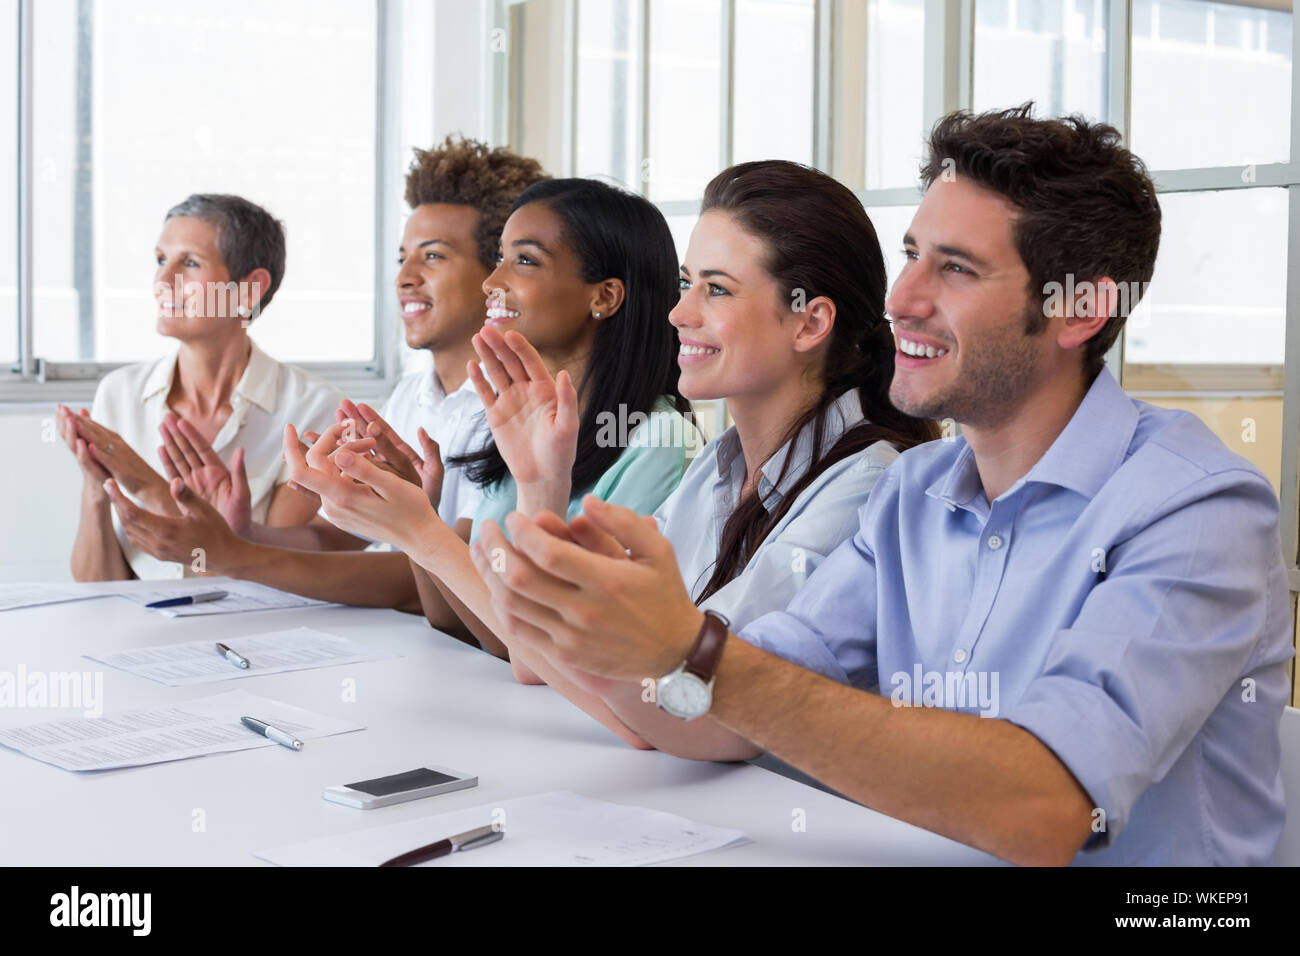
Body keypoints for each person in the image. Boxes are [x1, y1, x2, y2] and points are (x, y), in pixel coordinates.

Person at [469, 105, 1294, 866]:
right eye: (910, 256)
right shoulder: (918, 489)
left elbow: (1046, 808)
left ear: (1079, 311)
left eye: (958, 270)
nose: (902, 300)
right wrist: (606, 629)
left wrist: (692, 651)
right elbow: (727, 723)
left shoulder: (1198, 508)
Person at [494, 160, 939, 706]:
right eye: (686, 283)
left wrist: (423, 536)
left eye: (717, 290)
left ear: (810, 322)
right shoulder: (716, 469)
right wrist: (541, 481)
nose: (679, 312)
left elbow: (676, 694)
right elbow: (541, 657)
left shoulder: (866, 488)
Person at [281, 177, 698, 748]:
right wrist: (414, 513)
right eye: (499, 259)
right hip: (510, 720)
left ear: (604, 296)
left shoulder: (655, 438)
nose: (494, 282)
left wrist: (420, 531)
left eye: (524, 261)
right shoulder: (509, 419)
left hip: (583, 737)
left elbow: (541, 651)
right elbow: (455, 623)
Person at [103, 138, 549, 613]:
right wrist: (246, 534)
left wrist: (238, 556)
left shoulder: (515, 410)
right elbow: (342, 539)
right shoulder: (411, 396)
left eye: (433, 256)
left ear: (495, 273)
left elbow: (436, 574)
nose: (404, 277)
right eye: (402, 258)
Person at [60, 193, 341, 580]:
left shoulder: (312, 411)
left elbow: (268, 579)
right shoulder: (119, 393)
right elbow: (96, 589)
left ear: (248, 289)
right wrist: (96, 487)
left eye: (189, 263)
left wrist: (147, 487)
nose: (162, 280)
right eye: (161, 260)